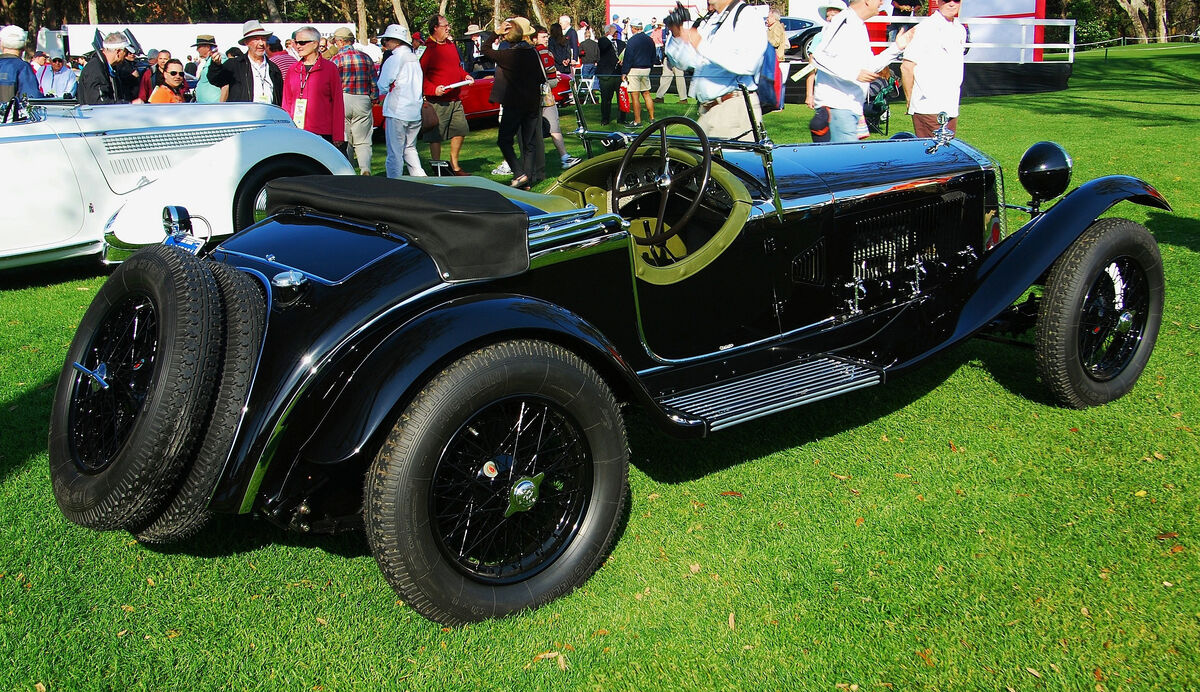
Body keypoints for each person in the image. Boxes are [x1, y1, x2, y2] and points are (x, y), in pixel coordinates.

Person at [664, 0, 767, 141]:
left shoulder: (747, 15)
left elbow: (749, 64)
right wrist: (677, 33)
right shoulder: (711, 20)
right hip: (707, 112)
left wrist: (700, 43)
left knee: (731, 157)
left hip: (733, 110)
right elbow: (685, 62)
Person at [810, 0, 907, 142]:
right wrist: (854, 73)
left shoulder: (857, 25)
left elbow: (868, 67)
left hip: (848, 109)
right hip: (837, 108)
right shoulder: (844, 21)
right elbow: (818, 57)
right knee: (845, 156)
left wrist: (897, 48)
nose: (882, 2)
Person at [479, 18, 545, 189]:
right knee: (529, 143)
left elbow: (484, 49)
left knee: (504, 140)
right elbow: (541, 77)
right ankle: (527, 180)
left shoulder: (507, 55)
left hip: (514, 103)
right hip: (532, 103)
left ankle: (519, 173)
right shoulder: (532, 53)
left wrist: (496, 32)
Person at [901, 0, 966, 137]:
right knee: (933, 148)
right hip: (927, 106)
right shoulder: (925, 28)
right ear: (937, 1)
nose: (952, 4)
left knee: (947, 148)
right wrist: (910, 100)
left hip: (951, 104)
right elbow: (907, 67)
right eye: (946, 0)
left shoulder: (960, 29)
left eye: (956, 0)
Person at [419, 15, 474, 176]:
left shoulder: (451, 45)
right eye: (445, 26)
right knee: (436, 136)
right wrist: (432, 89)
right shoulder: (427, 48)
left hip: (455, 98)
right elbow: (420, 75)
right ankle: (437, 169)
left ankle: (455, 166)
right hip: (437, 102)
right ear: (435, 28)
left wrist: (465, 75)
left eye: (448, 25)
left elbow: (457, 67)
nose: (448, 28)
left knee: (461, 129)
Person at [282, 26, 346, 147]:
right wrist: (286, 130)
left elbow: (337, 103)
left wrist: (338, 134)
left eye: (302, 42)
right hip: (297, 131)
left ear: (315, 44)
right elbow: (286, 103)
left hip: (323, 133)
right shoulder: (292, 69)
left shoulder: (330, 68)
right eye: (296, 42)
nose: (298, 46)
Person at [376, 24, 425, 177]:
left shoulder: (394, 59)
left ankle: (394, 182)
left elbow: (382, 85)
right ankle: (421, 179)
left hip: (397, 110)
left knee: (395, 153)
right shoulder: (414, 58)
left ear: (396, 42)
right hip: (414, 110)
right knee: (410, 149)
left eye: (387, 40)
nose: (385, 43)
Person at [331, 26, 378, 175]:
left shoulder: (336, 59)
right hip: (362, 98)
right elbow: (373, 81)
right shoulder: (365, 57)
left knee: (346, 138)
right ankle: (365, 168)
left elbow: (331, 84)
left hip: (343, 99)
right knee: (363, 139)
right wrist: (374, 97)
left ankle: (349, 170)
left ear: (340, 42)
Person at [535, 27, 581, 170]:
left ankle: (564, 157)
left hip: (539, 96)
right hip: (542, 95)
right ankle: (563, 157)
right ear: (534, 38)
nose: (546, 39)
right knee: (548, 128)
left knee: (548, 128)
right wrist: (554, 78)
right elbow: (552, 80)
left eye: (546, 36)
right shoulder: (544, 53)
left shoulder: (538, 52)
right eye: (543, 37)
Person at [207, 21, 282, 105]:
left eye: (263, 39)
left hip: (269, 112)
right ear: (246, 42)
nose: (261, 43)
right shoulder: (235, 65)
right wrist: (216, 65)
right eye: (256, 39)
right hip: (243, 113)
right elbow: (216, 80)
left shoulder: (273, 68)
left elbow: (280, 96)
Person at [77, 32, 142, 104]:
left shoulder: (111, 68)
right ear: (118, 52)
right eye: (126, 52)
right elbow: (98, 102)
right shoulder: (96, 69)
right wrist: (128, 104)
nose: (126, 56)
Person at [621, 20, 655, 127]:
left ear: (634, 28)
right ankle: (652, 118)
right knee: (646, 93)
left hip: (634, 69)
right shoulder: (649, 40)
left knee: (635, 96)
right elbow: (653, 55)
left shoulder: (632, 41)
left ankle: (637, 121)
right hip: (646, 68)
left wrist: (624, 72)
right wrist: (650, 66)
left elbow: (628, 58)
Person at [596, 23, 627, 126]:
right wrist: (610, 35)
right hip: (606, 75)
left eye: (616, 32)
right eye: (614, 32)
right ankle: (605, 119)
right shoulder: (602, 41)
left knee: (621, 98)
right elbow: (603, 47)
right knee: (606, 99)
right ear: (608, 32)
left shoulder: (621, 43)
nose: (615, 34)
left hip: (618, 74)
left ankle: (621, 119)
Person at [0, 25, 40, 102]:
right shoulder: (23, 67)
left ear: (1, 45)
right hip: (11, 110)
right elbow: (31, 99)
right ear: (24, 46)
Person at [191, 35, 225, 103]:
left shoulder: (220, 60)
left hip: (214, 106)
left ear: (207, 47)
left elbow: (225, 86)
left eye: (199, 47)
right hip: (207, 106)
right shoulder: (208, 61)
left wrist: (221, 105)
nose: (197, 49)